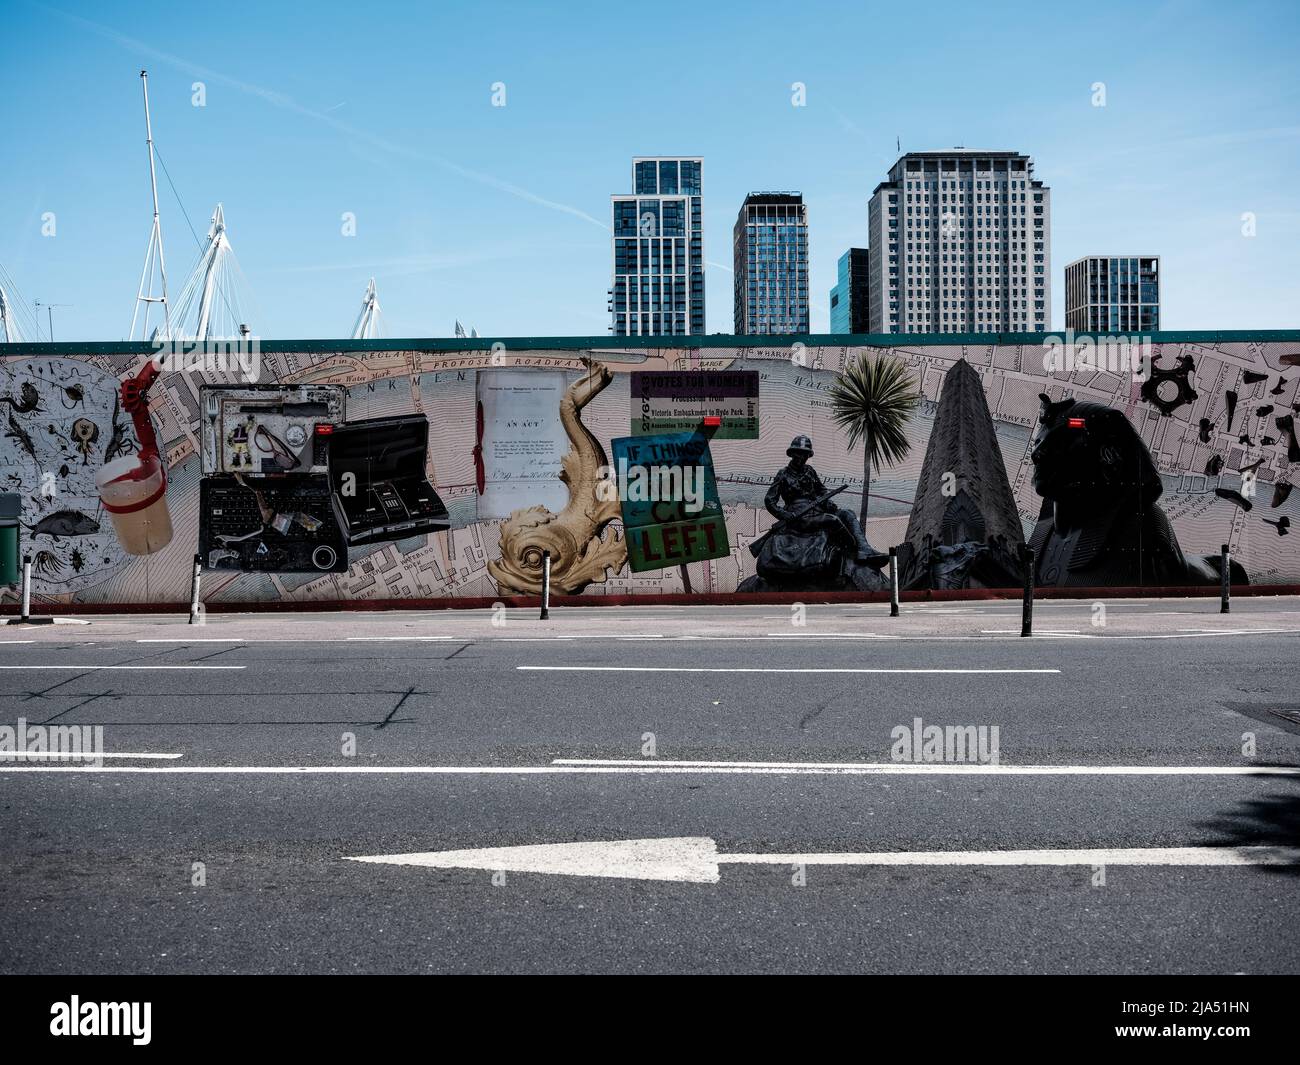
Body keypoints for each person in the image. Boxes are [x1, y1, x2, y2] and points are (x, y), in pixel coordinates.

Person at [765, 435, 884, 563]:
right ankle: (853, 552)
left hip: (816, 510)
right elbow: (769, 500)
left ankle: (864, 549)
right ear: (793, 453)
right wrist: (785, 515)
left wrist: (827, 502)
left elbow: (821, 490)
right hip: (799, 517)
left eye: (806, 454)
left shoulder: (810, 471)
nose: (803, 457)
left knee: (848, 513)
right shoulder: (783, 474)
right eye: (800, 453)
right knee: (833, 520)